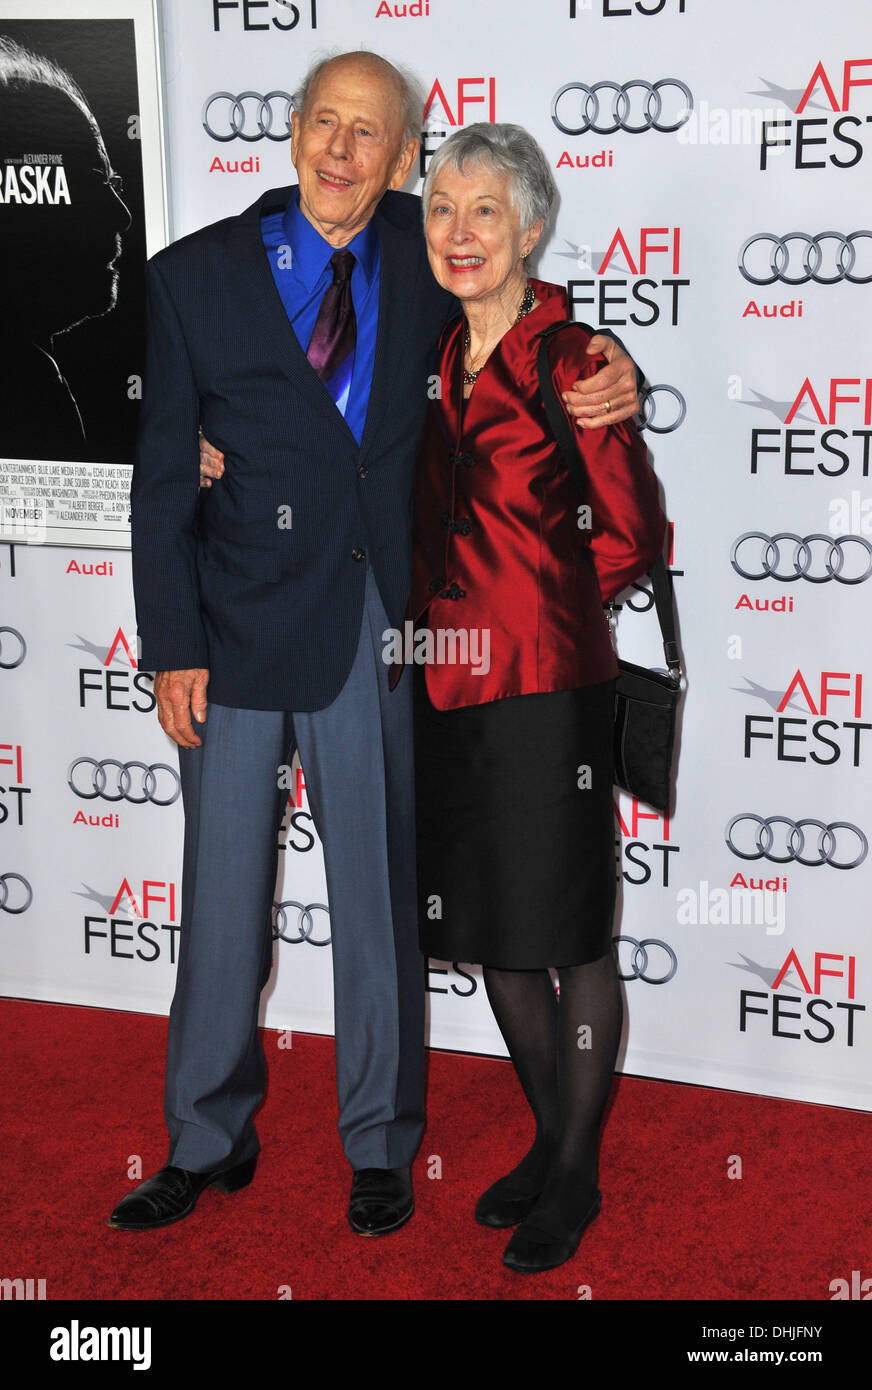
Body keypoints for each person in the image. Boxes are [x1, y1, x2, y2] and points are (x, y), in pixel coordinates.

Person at [116, 51, 639, 1238]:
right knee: (221, 904)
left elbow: (525, 307)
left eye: (372, 135)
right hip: (233, 633)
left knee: (377, 900)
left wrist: (614, 366)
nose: (342, 153)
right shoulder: (191, 278)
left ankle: (380, 1143)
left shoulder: (425, 244)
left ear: (404, 154)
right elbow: (158, 482)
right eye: (325, 125)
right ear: (292, 129)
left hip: (379, 630)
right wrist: (170, 648)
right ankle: (205, 1138)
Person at [403, 123, 667, 1273]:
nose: (458, 234)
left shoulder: (572, 360)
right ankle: (551, 1133)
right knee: (492, 937)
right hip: (439, 681)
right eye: (440, 209)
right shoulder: (421, 352)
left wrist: (543, 608)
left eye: (483, 212)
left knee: (568, 938)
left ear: (531, 229)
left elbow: (633, 535)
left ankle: (575, 1174)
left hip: (546, 692)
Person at [0, 37, 131, 461]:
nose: (121, 215)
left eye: (112, 184)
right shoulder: (24, 384)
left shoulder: (33, 374)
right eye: (86, 184)